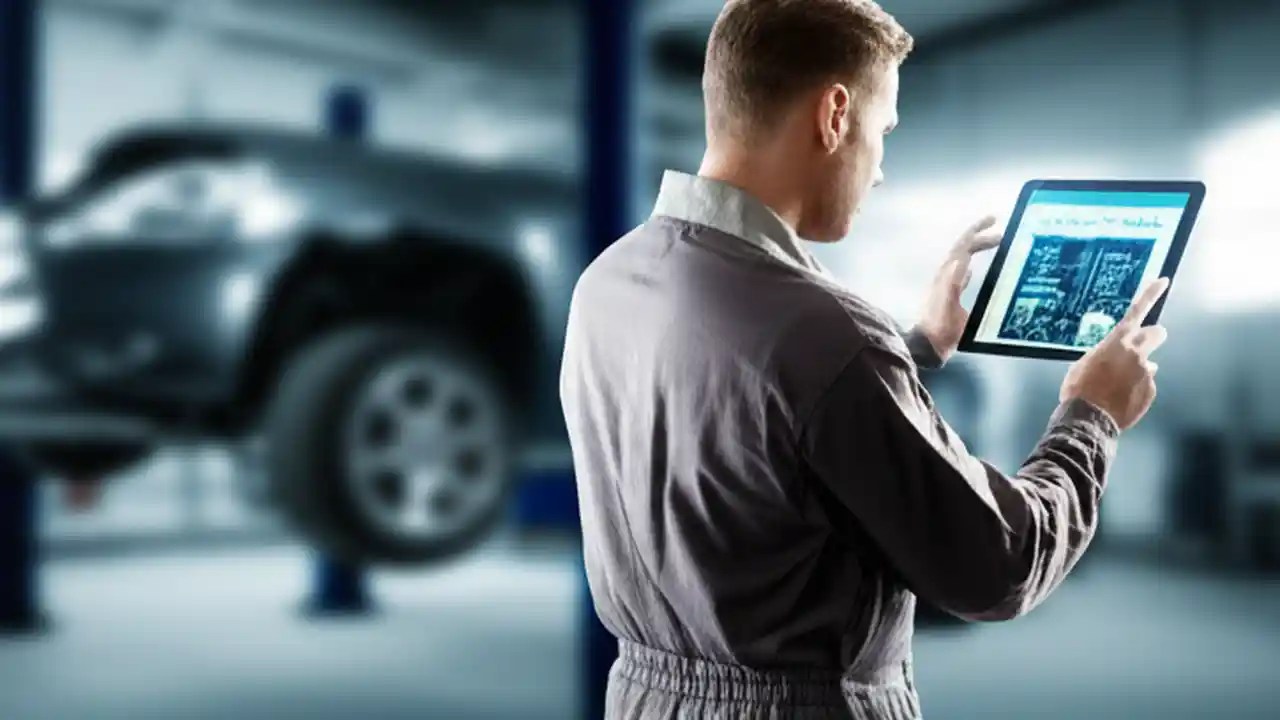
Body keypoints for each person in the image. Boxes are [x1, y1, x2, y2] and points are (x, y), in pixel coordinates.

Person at [558, 1, 1168, 718]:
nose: (879, 169)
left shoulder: (609, 280)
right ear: (836, 114)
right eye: (884, 132)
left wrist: (916, 349)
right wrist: (1092, 415)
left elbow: (744, 422)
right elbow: (999, 567)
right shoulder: (828, 336)